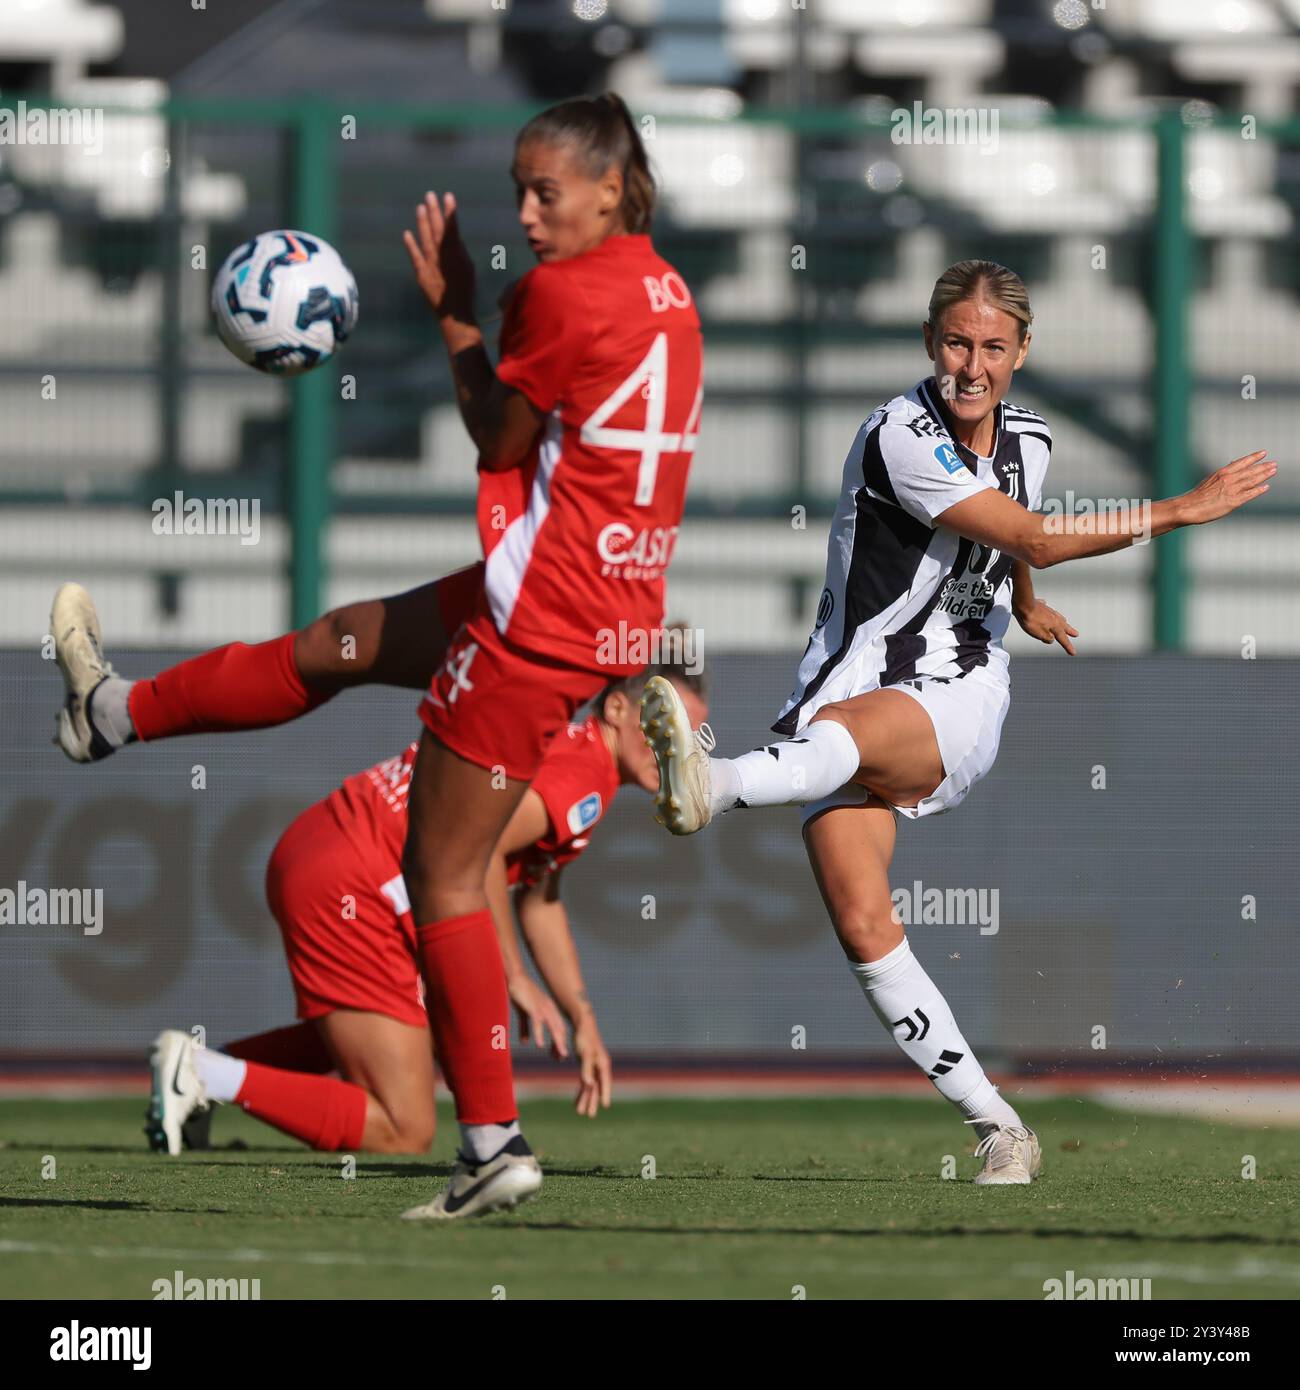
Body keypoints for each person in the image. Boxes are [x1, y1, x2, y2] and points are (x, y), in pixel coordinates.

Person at [51, 92, 703, 1218]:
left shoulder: (560, 291)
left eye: (546, 191)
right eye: (518, 191)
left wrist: (455, 313)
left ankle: (491, 1145)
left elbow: (499, 432)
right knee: (340, 641)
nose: (528, 213)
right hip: (606, 605)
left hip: (535, 614)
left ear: (610, 185)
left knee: (448, 874)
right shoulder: (669, 288)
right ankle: (111, 713)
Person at [639, 259, 1276, 1185]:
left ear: (1022, 351)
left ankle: (720, 782)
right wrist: (1177, 511)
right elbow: (1030, 533)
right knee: (863, 919)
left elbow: (1017, 531)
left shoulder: (1030, 436)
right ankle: (999, 1126)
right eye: (954, 343)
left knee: (837, 743)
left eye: (991, 346)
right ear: (928, 344)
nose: (970, 365)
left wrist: (1021, 598)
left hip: (956, 693)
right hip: (839, 696)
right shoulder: (901, 434)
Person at [147, 658, 708, 1224]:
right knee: (403, 1125)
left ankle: (208, 1075)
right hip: (355, 877)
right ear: (614, 708)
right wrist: (515, 977)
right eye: (664, 722)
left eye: (687, 731)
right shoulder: (583, 769)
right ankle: (199, 1074)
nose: (675, 743)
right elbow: (481, 853)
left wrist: (579, 1014)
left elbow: (539, 897)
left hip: (329, 849)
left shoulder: (576, 754)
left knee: (403, 1031)